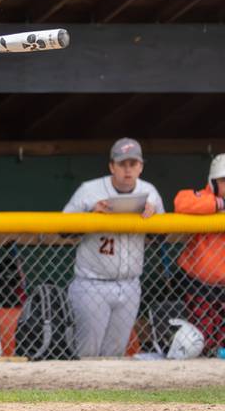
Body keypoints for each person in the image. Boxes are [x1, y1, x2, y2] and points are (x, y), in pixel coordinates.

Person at [63, 138, 164, 357]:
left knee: (114, 356)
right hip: (92, 283)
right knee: (86, 354)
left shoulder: (150, 192)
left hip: (130, 285)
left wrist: (153, 217)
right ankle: (79, 392)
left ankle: (107, 393)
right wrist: (90, 216)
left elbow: (160, 238)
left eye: (133, 164)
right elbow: (62, 230)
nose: (128, 170)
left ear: (141, 166)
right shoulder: (89, 190)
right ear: (112, 166)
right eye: (122, 164)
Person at [173, 154, 225, 355]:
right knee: (199, 340)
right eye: (223, 181)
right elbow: (181, 202)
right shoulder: (204, 198)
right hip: (199, 287)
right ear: (213, 183)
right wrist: (219, 205)